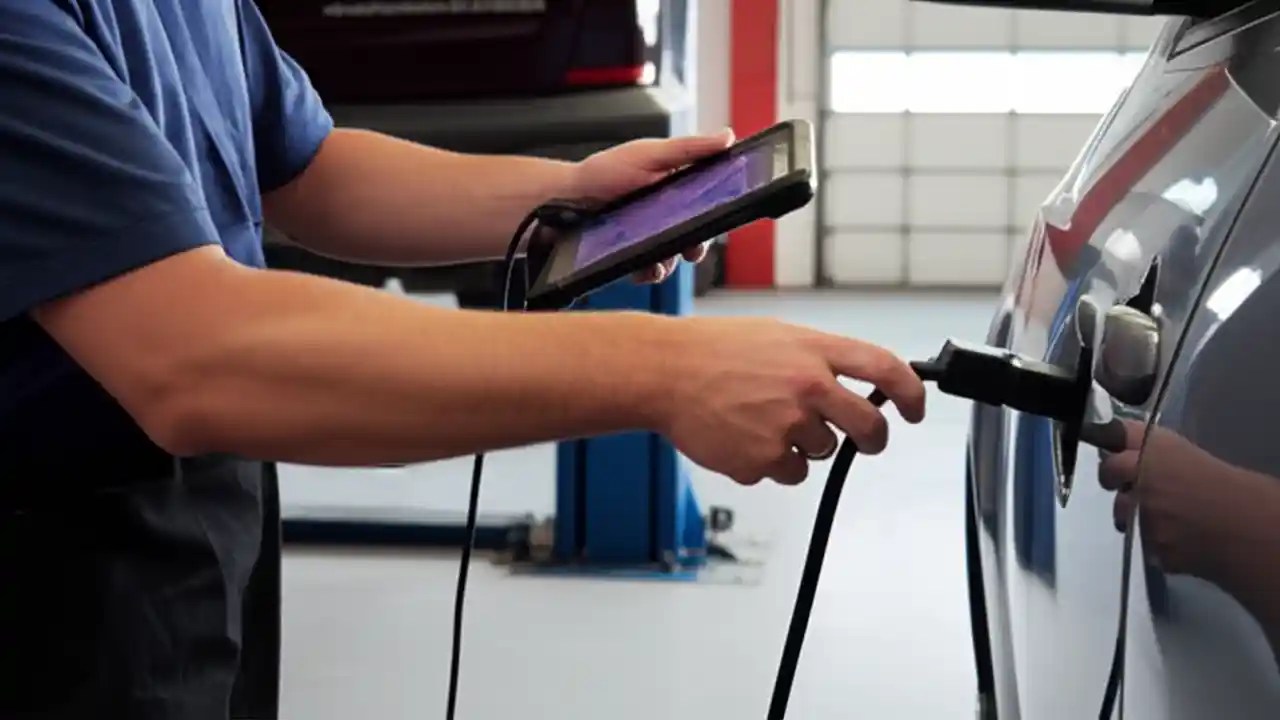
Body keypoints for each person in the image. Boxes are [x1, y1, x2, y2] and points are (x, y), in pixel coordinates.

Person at [0, 2, 927, 718]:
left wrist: (563, 197)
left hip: (206, 514)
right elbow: (191, 354)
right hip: (52, 558)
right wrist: (666, 370)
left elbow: (303, 170)